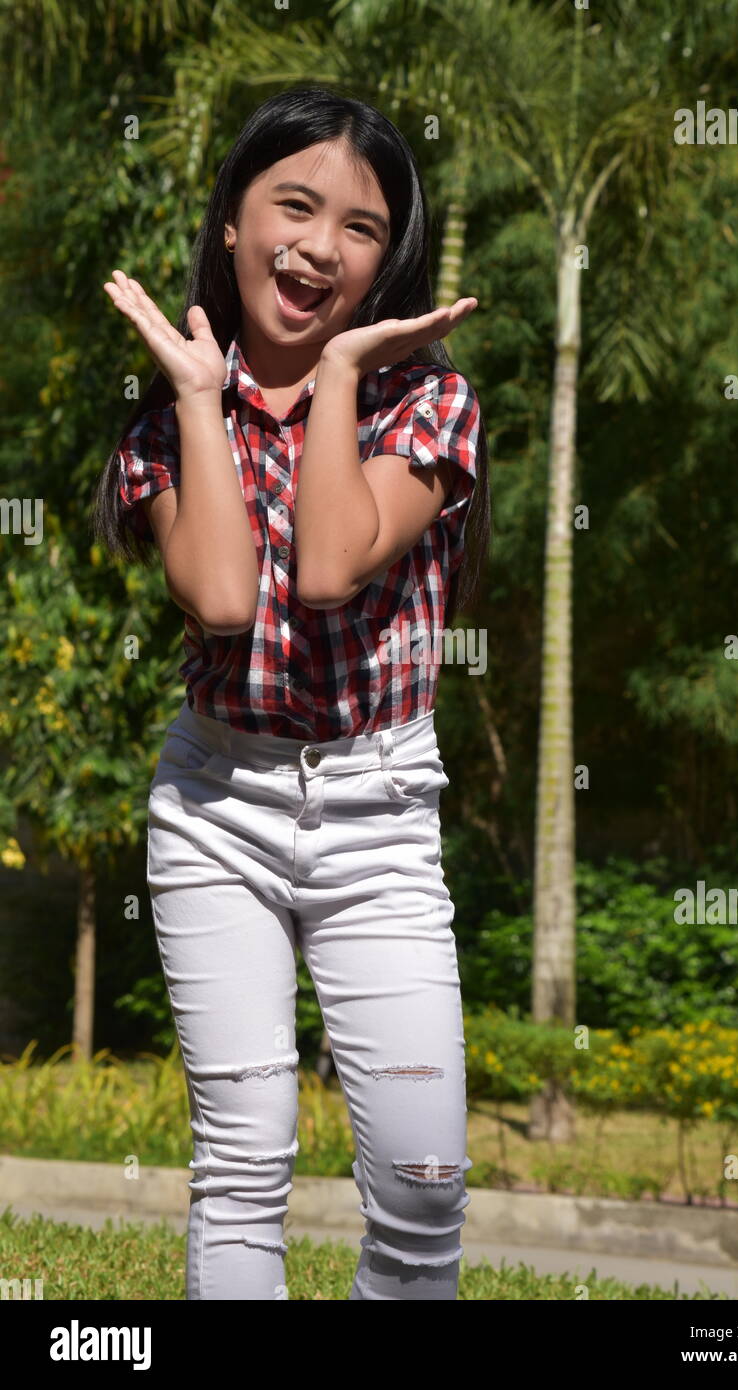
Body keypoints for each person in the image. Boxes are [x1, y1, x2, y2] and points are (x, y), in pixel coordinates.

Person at [89, 83, 491, 1301]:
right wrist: (207, 402)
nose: (319, 247)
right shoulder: (167, 420)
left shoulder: (429, 401)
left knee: (423, 1187)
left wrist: (337, 380)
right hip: (218, 808)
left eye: (358, 228)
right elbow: (221, 598)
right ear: (233, 221)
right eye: (294, 207)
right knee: (243, 1166)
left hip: (377, 813)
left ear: (387, 260)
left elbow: (325, 569)